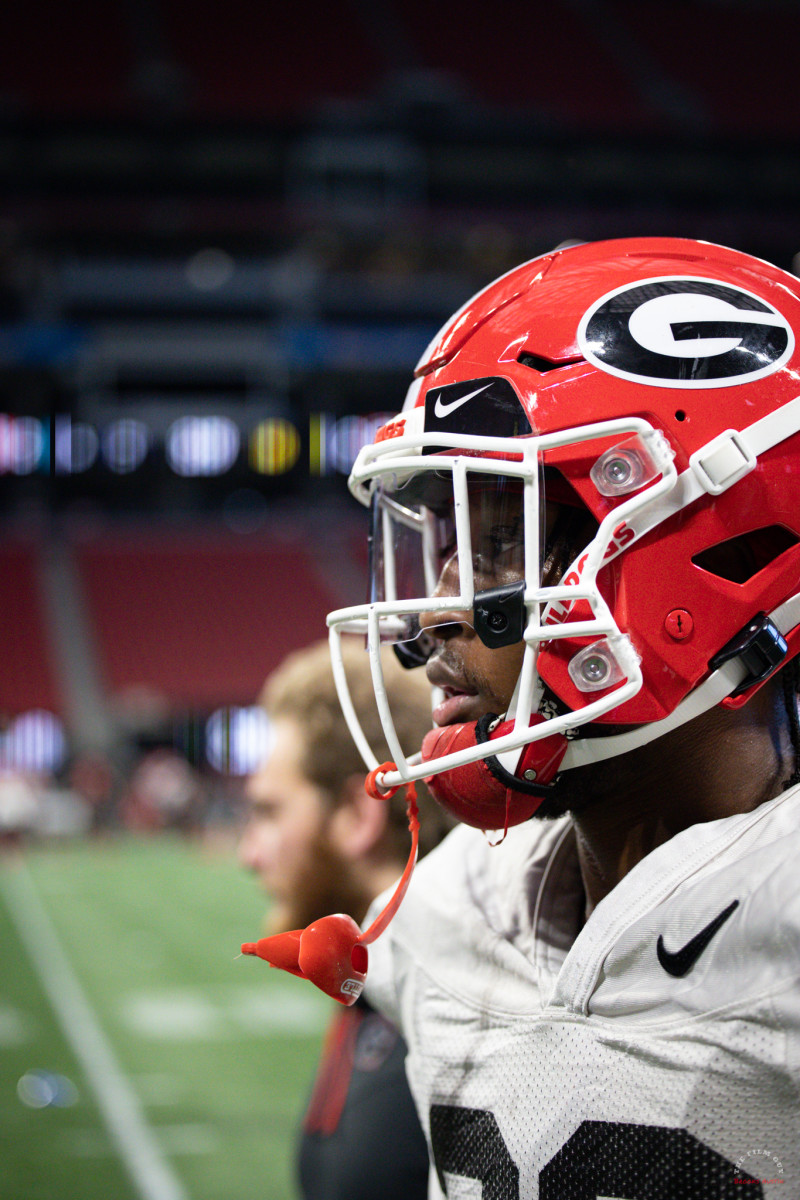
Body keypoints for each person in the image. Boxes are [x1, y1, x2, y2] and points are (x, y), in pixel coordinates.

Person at [315, 237, 800, 1197]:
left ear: (701, 558)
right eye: (446, 548)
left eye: (502, 543)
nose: (437, 612)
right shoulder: (445, 914)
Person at [238, 638, 452, 1200]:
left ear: (358, 815)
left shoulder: (448, 1019)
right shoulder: (371, 981)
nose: (248, 855)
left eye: (269, 812)